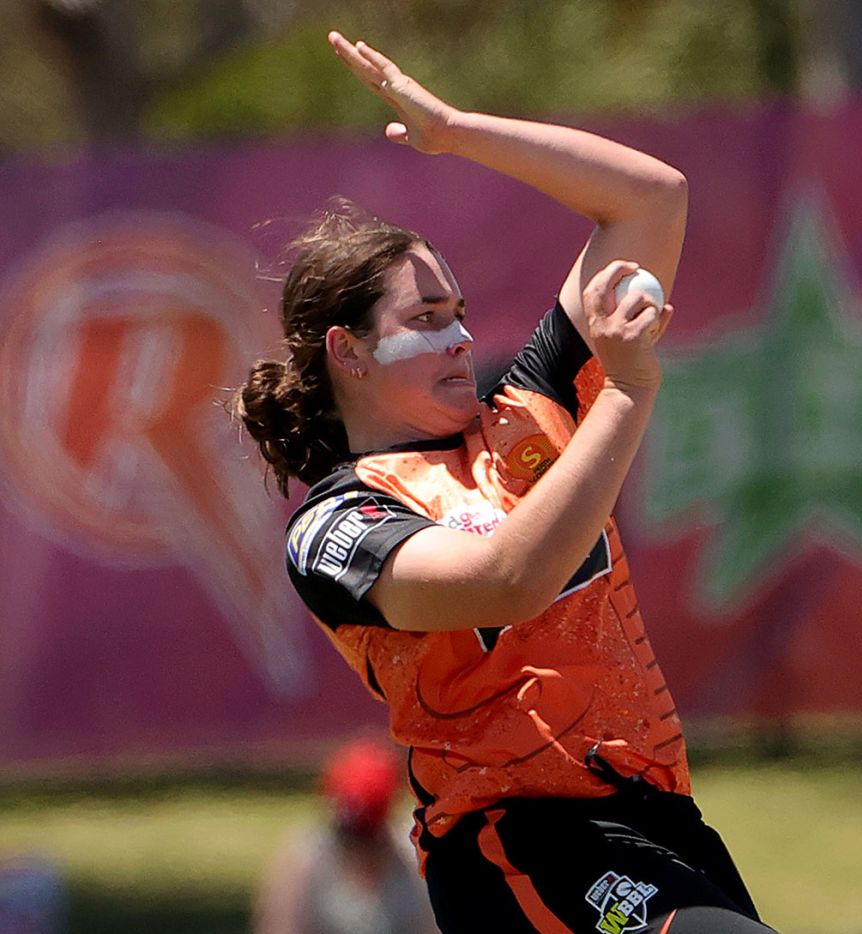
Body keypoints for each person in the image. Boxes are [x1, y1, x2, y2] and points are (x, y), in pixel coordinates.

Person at [236, 30, 775, 934]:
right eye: (426, 318)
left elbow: (652, 198)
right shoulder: (337, 524)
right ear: (347, 352)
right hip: (517, 841)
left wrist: (456, 131)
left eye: (459, 313)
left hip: (657, 821)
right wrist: (627, 392)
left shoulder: (529, 408)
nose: (458, 339)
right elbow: (508, 578)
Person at [253, 738, 439, 934]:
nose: (358, 849)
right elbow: (280, 926)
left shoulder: (414, 860)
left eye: (367, 840)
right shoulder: (305, 859)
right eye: (350, 837)